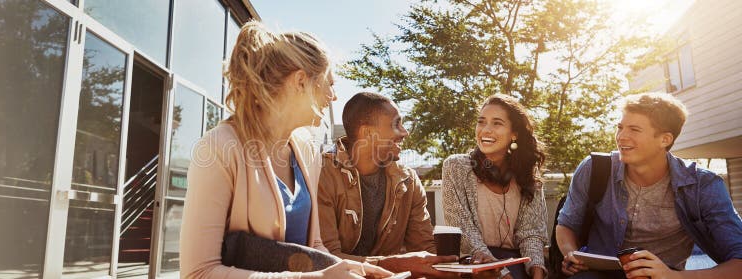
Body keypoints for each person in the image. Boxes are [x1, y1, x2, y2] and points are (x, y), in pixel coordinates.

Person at [181, 21, 392, 278]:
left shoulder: (306, 150)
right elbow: (198, 272)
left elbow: (313, 249)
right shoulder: (219, 148)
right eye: (329, 83)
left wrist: (351, 270)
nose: (333, 96)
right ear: (301, 81)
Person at [556, 92, 742, 278]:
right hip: (597, 273)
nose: (621, 136)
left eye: (634, 130)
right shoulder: (594, 168)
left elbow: (739, 262)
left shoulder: (703, 185)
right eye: (620, 127)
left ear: (665, 139)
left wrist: (673, 277)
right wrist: (571, 253)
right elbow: (566, 224)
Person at [317, 92, 462, 278]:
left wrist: (467, 269)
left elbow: (426, 250)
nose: (405, 132)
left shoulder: (408, 181)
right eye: (396, 124)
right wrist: (392, 265)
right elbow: (325, 258)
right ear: (368, 132)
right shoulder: (323, 174)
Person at [442, 94, 549, 279]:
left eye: (497, 123)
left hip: (517, 263)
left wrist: (537, 270)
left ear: (514, 133)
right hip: (476, 263)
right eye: (481, 122)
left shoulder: (528, 176)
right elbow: (463, 229)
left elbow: (531, 233)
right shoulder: (456, 167)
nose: (486, 130)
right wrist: (500, 273)